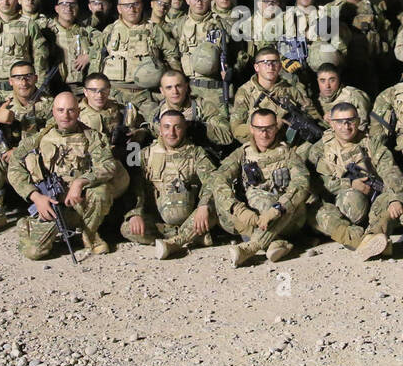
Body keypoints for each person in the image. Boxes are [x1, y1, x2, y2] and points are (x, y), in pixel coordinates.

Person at [8, 91, 125, 259]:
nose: (66, 115)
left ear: (78, 112)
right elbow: (14, 165)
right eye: (60, 110)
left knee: (102, 191)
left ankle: (90, 235)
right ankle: (28, 225)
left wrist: (81, 182)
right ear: (53, 111)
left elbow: (108, 165)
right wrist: (35, 197)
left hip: (81, 203)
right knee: (34, 252)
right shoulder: (38, 138)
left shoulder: (92, 137)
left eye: (71, 110)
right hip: (51, 204)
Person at [306, 102, 403, 260]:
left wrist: (395, 198)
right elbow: (313, 183)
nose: (346, 127)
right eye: (340, 122)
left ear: (358, 121)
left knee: (387, 199)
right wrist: (349, 184)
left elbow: (391, 171)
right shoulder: (318, 150)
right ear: (332, 123)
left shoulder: (371, 143)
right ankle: (364, 241)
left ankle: (374, 235)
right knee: (324, 212)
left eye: (351, 121)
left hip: (373, 204)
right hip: (339, 206)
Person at [213, 108, 311, 267]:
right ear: (251, 129)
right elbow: (219, 179)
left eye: (269, 128)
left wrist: (278, 209)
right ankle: (278, 243)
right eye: (259, 129)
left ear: (276, 128)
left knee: (289, 200)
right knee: (224, 201)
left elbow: (302, 183)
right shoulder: (242, 154)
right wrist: (238, 209)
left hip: (285, 216)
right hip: (254, 219)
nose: (264, 134)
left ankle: (253, 246)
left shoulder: (287, 153)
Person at [0, 61, 54, 234]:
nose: (23, 82)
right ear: (10, 81)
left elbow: (52, 132)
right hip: (6, 157)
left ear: (35, 78)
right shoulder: (1, 101)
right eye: (18, 78)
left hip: (36, 158)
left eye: (28, 76)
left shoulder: (48, 104)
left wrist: (20, 151)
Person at [124, 111, 221, 258]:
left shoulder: (196, 153)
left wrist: (204, 205)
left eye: (177, 127)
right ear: (160, 129)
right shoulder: (146, 154)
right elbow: (136, 187)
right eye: (167, 127)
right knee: (127, 228)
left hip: (190, 217)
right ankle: (191, 236)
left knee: (211, 212)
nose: (172, 132)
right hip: (159, 220)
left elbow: (212, 181)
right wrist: (135, 214)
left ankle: (176, 242)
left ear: (185, 128)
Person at [230, 47, 323, 147]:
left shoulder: (290, 90)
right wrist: (269, 127)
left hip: (292, 147)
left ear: (279, 66)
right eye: (265, 62)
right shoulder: (245, 92)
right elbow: (237, 129)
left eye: (274, 62)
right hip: (259, 148)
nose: (270, 67)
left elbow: (313, 115)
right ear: (256, 67)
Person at [100, 0, 179, 107]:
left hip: (147, 94)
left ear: (141, 6)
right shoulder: (109, 31)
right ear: (119, 9)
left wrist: (176, 82)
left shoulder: (154, 29)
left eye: (135, 4)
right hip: (114, 94)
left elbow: (172, 55)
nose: (132, 9)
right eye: (126, 6)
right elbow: (97, 61)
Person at [142, 69, 234, 149]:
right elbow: (152, 130)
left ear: (186, 86)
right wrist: (141, 133)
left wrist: (200, 129)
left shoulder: (204, 107)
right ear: (162, 91)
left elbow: (227, 136)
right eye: (169, 87)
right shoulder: (158, 113)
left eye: (178, 86)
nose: (175, 91)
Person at [47, 0, 98, 95]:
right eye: (64, 4)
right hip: (54, 88)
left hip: (82, 89)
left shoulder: (86, 31)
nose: (68, 8)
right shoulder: (46, 30)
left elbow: (106, 43)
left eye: (72, 5)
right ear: (57, 8)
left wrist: (89, 55)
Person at [315, 63, 371, 131]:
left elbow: (361, 128)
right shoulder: (315, 102)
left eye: (332, 80)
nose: (327, 86)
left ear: (339, 79)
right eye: (322, 81)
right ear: (317, 81)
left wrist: (336, 120)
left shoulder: (353, 97)